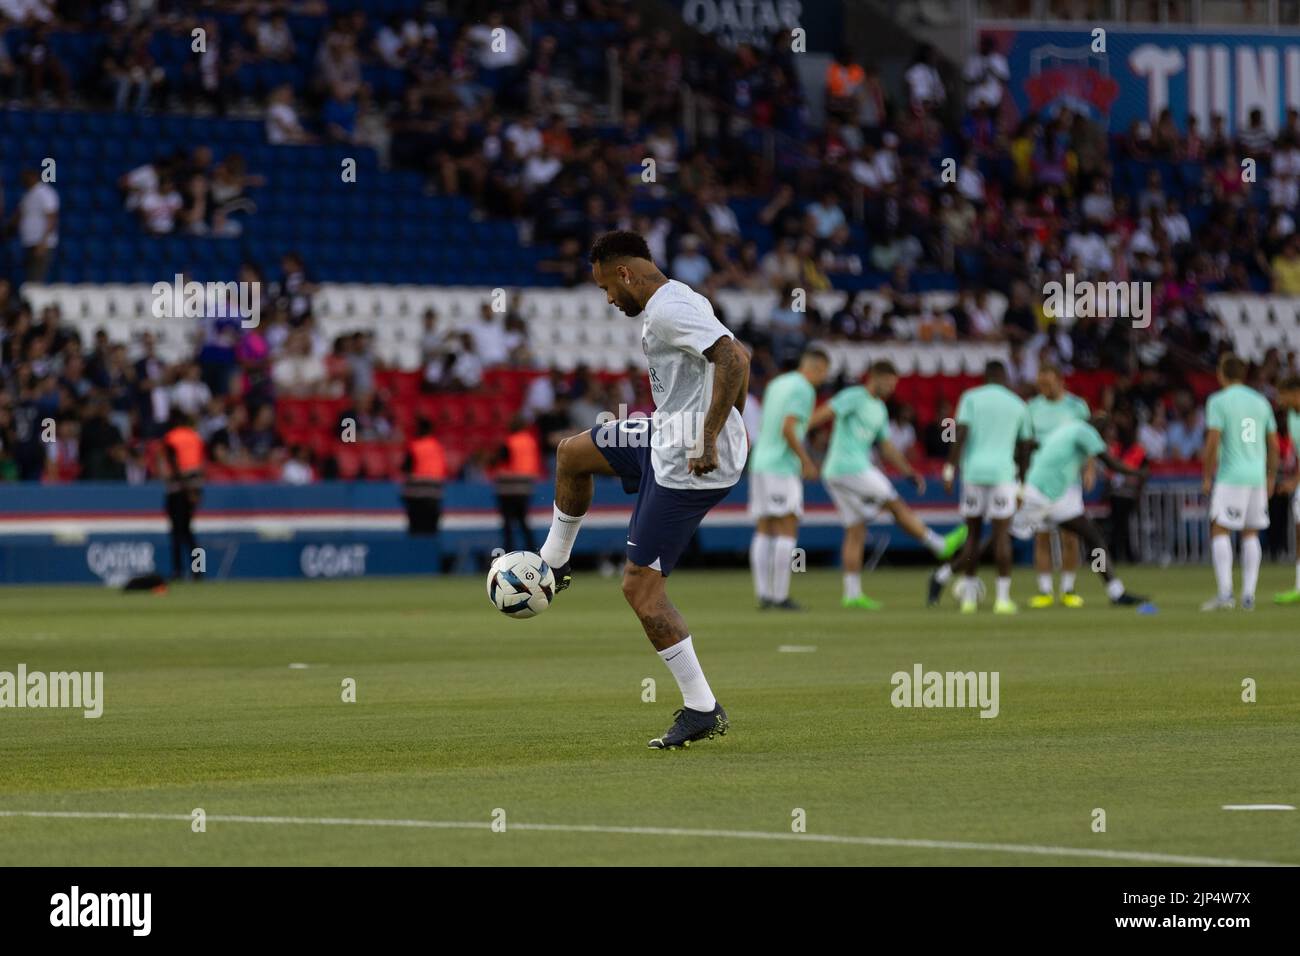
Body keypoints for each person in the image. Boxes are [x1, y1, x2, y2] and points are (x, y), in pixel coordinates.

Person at [536, 230, 750, 750]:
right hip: (663, 433)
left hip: (686, 463)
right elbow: (735, 357)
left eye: (608, 288)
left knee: (640, 590)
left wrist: (710, 434)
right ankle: (553, 564)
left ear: (626, 274)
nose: (609, 299)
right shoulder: (676, 300)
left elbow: (735, 358)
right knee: (572, 454)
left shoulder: (670, 309)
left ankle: (702, 708)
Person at [811, 360, 967, 609]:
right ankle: (938, 544)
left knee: (855, 528)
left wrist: (909, 472)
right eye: (890, 382)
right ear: (875, 377)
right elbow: (824, 413)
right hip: (849, 467)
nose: (893, 388)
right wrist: (798, 436)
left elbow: (886, 447)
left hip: (837, 473)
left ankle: (852, 594)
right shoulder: (854, 396)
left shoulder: (880, 410)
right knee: (893, 501)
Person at [1012, 415, 1149, 606]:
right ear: (1101, 432)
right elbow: (1110, 463)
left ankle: (1115, 592)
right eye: (1108, 436)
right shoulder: (1086, 433)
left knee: (1093, 537)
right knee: (1003, 537)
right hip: (1041, 493)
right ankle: (959, 567)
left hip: (1055, 495)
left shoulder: (1070, 428)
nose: (1109, 441)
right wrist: (1137, 472)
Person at [945, 360, 1032, 614]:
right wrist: (1022, 484)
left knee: (972, 535)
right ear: (1005, 377)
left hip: (974, 473)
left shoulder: (970, 398)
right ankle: (1002, 600)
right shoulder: (1018, 403)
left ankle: (969, 599)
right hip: (1004, 475)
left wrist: (950, 469)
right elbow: (1026, 446)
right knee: (1001, 536)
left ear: (985, 377)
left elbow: (958, 433)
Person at [747, 347, 829, 610]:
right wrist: (806, 461)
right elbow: (789, 428)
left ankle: (765, 594)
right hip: (780, 467)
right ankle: (780, 596)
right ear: (817, 367)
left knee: (764, 527)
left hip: (759, 461)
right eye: (824, 372)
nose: (824, 379)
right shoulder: (804, 389)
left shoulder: (777, 383)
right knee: (786, 526)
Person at [1201, 354, 1279, 611]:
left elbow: (1213, 441)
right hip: (1256, 476)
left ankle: (1225, 594)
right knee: (1251, 532)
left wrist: (1206, 475)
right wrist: (1270, 475)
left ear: (1221, 374)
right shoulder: (1261, 401)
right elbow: (1274, 444)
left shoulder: (1218, 401)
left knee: (1220, 528)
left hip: (1231, 476)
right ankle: (1248, 595)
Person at [1025, 364, 1092, 607]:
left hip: (1068, 480)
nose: (1043, 388)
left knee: (1070, 537)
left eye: (1048, 384)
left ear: (1061, 381)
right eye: (1040, 384)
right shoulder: (1032, 408)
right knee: (1042, 536)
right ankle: (1044, 591)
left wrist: (1090, 468)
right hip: (1040, 482)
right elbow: (1025, 443)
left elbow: (1088, 439)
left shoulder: (1076, 407)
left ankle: (1068, 589)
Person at [159, 410, 204, 581]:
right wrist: (195, 491)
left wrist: (182, 484)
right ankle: (198, 570)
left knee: (177, 532)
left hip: (177, 488)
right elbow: (199, 464)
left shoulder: (171, 437)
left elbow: (172, 461)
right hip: (194, 487)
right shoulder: (195, 438)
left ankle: (178, 571)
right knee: (189, 532)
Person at [493, 415, 543, 553]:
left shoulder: (510, 442)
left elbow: (500, 462)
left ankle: (508, 554)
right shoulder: (531, 442)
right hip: (526, 488)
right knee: (523, 523)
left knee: (508, 525)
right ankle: (534, 552)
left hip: (508, 488)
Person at [1274, 376, 1300, 604]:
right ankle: (1299, 586)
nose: (1280, 400)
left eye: (1283, 395)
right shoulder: (1292, 417)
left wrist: (1294, 481)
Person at [402, 418, 447, 535]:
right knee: (431, 530)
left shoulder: (415, 446)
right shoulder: (438, 447)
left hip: (416, 496)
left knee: (416, 530)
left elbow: (406, 467)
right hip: (434, 496)